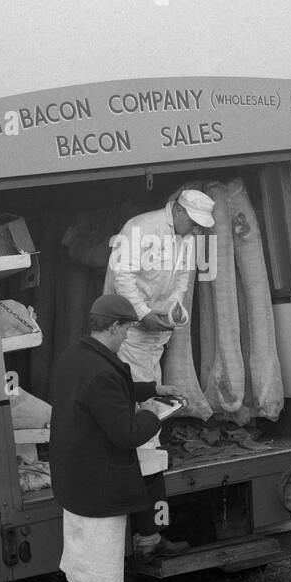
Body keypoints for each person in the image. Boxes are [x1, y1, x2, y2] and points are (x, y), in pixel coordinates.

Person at [49, 294, 176, 582]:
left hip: (74, 480)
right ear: (117, 326)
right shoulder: (102, 371)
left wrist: (152, 389)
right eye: (127, 329)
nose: (126, 336)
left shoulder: (75, 356)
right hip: (99, 489)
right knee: (99, 574)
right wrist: (155, 414)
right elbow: (125, 433)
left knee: (82, 564)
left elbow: (103, 394)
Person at [106, 188, 215, 559]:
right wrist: (142, 313)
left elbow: (183, 280)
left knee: (150, 397)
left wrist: (174, 310)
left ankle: (148, 529)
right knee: (140, 408)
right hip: (130, 330)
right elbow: (123, 276)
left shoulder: (186, 238)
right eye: (195, 224)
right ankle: (148, 533)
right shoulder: (140, 228)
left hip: (156, 332)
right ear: (179, 211)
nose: (197, 232)